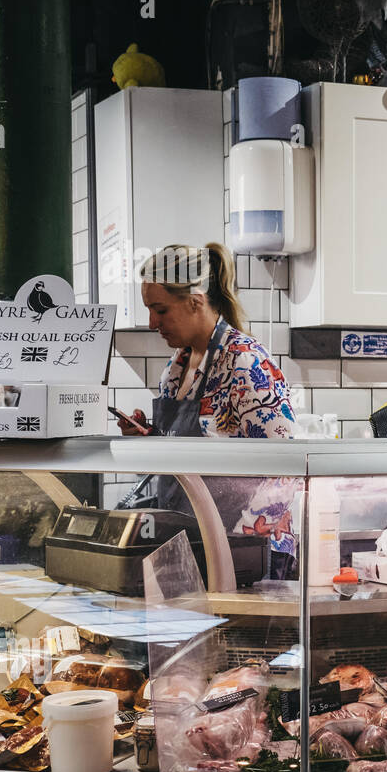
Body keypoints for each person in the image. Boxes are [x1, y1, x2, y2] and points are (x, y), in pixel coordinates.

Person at [117, 242, 298, 576]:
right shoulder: (177, 367)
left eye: (160, 309)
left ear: (194, 301)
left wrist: (234, 544)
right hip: (193, 544)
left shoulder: (245, 363)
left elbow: (285, 468)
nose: (151, 322)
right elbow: (192, 450)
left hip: (246, 555)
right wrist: (150, 437)